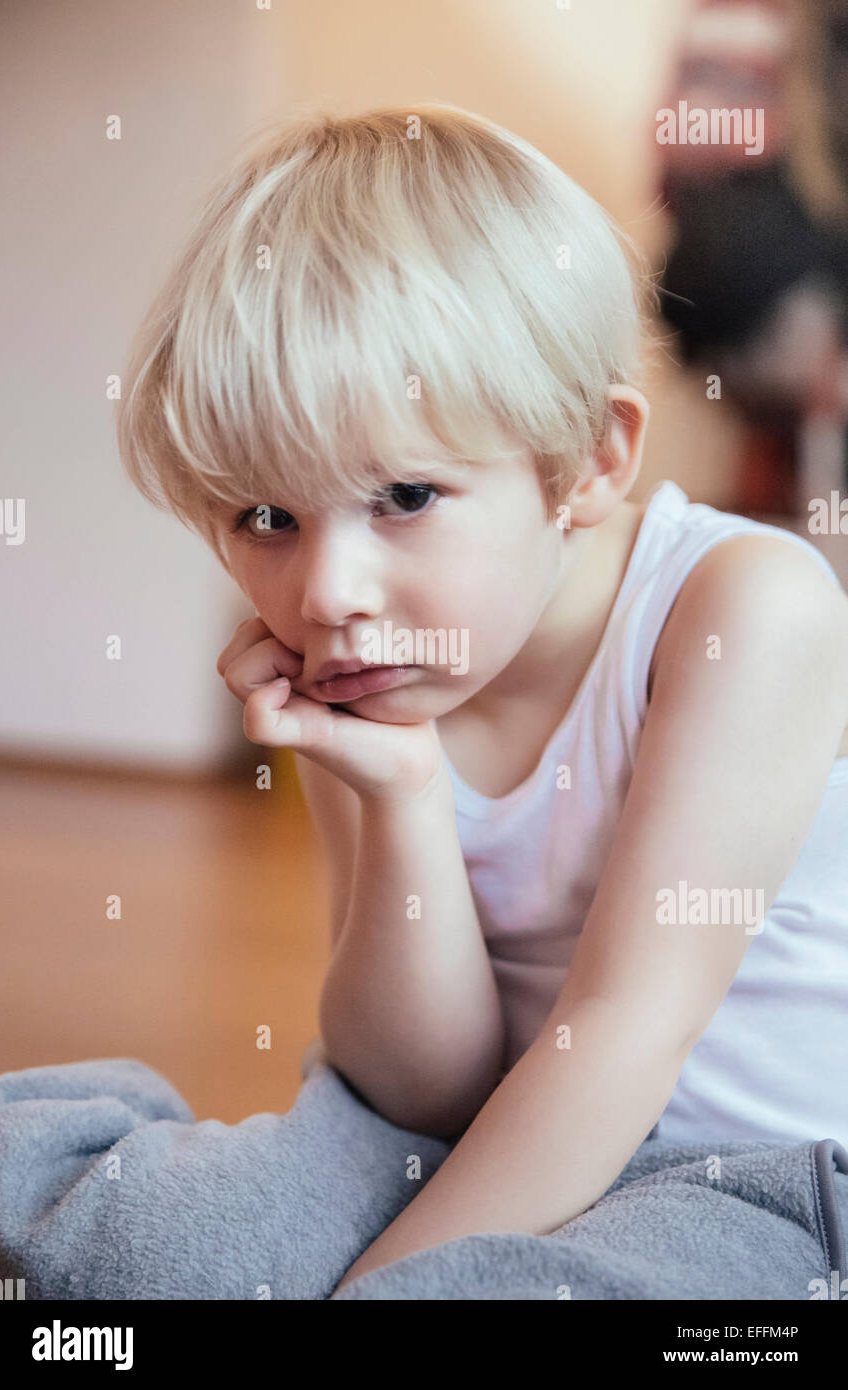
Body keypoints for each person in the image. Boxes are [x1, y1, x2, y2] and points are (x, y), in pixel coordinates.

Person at [115, 103, 848, 1289]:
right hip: (473, 1133)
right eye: (266, 518)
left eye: (403, 494)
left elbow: (623, 1030)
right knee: (173, 1243)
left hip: (748, 1177)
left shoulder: (742, 610)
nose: (327, 591)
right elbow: (416, 1084)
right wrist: (394, 781)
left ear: (587, 459)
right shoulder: (376, 655)